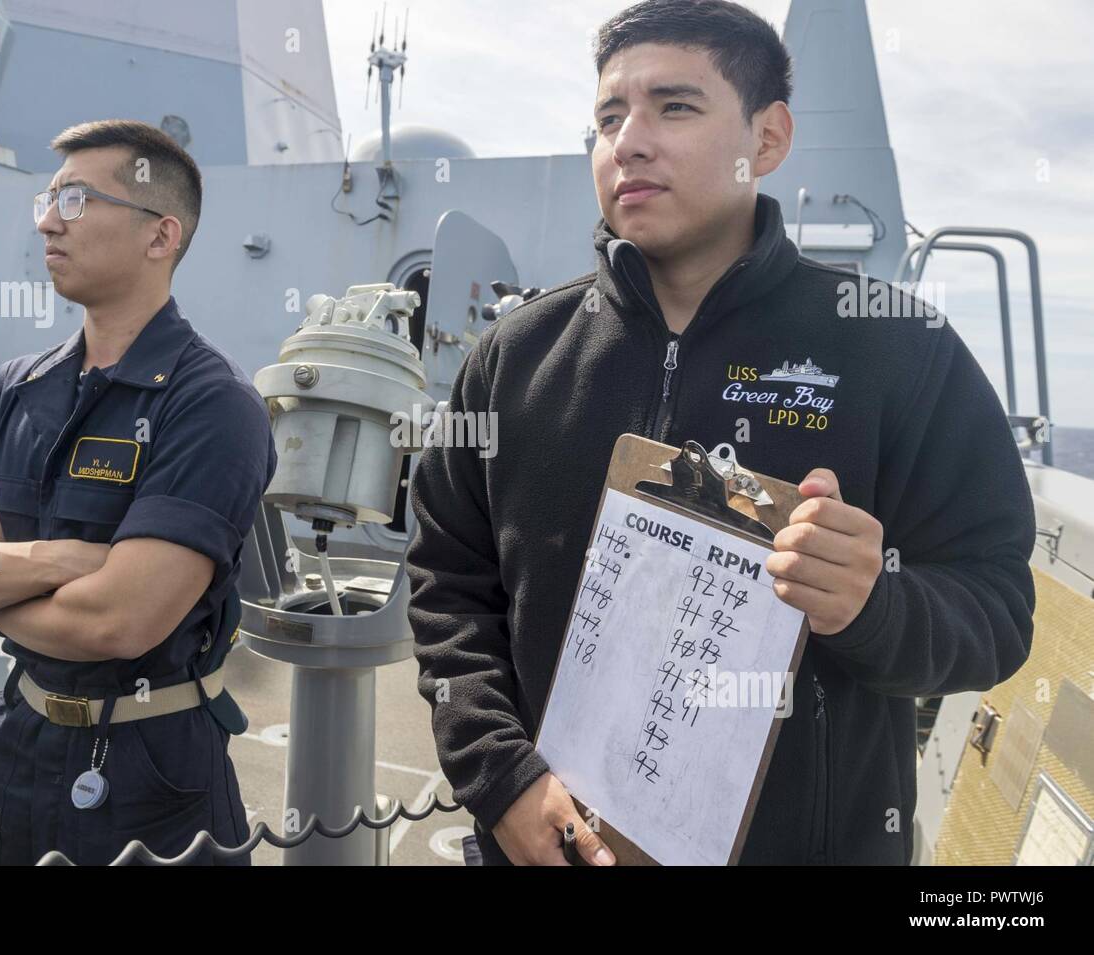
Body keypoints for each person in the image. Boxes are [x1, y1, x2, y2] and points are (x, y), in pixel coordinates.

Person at [406, 0, 1035, 866]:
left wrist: (872, 603)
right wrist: (500, 779)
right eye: (607, 116)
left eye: (675, 106)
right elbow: (447, 582)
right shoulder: (515, 357)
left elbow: (998, 608)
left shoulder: (897, 350)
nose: (628, 140)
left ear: (767, 139)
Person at [0, 119, 276, 865]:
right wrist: (59, 559)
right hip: (12, 750)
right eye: (48, 197)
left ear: (159, 236)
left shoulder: (213, 404)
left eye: (74, 199)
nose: (45, 218)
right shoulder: (11, 388)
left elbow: (117, 621)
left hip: (152, 774)